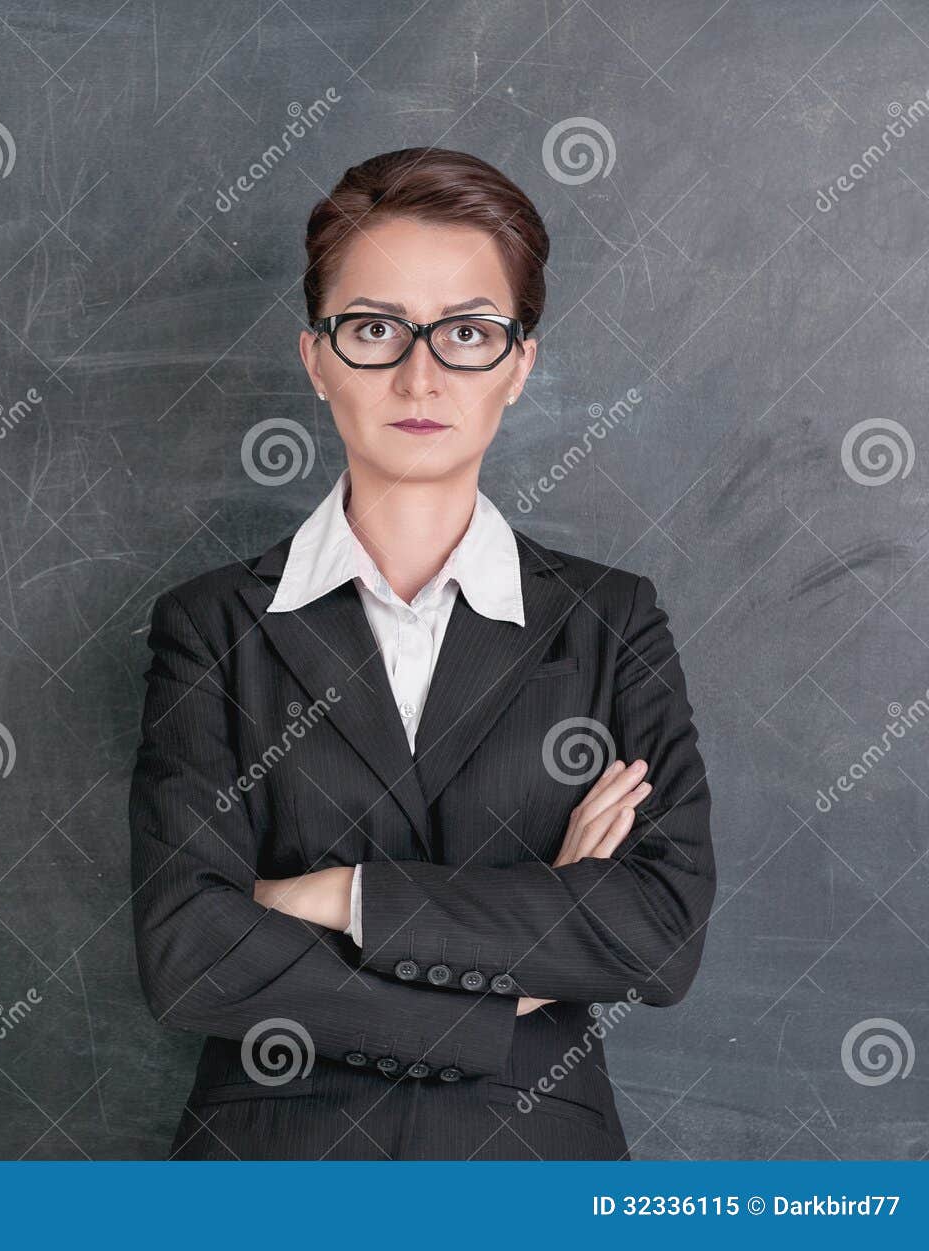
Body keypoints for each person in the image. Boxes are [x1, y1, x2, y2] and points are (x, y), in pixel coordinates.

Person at [127, 146, 715, 1160]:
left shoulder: (610, 619)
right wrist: (527, 955)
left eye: (467, 333)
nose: (419, 373)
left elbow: (655, 927)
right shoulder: (213, 624)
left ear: (519, 364)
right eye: (372, 328)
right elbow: (190, 954)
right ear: (315, 356)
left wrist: (336, 896)